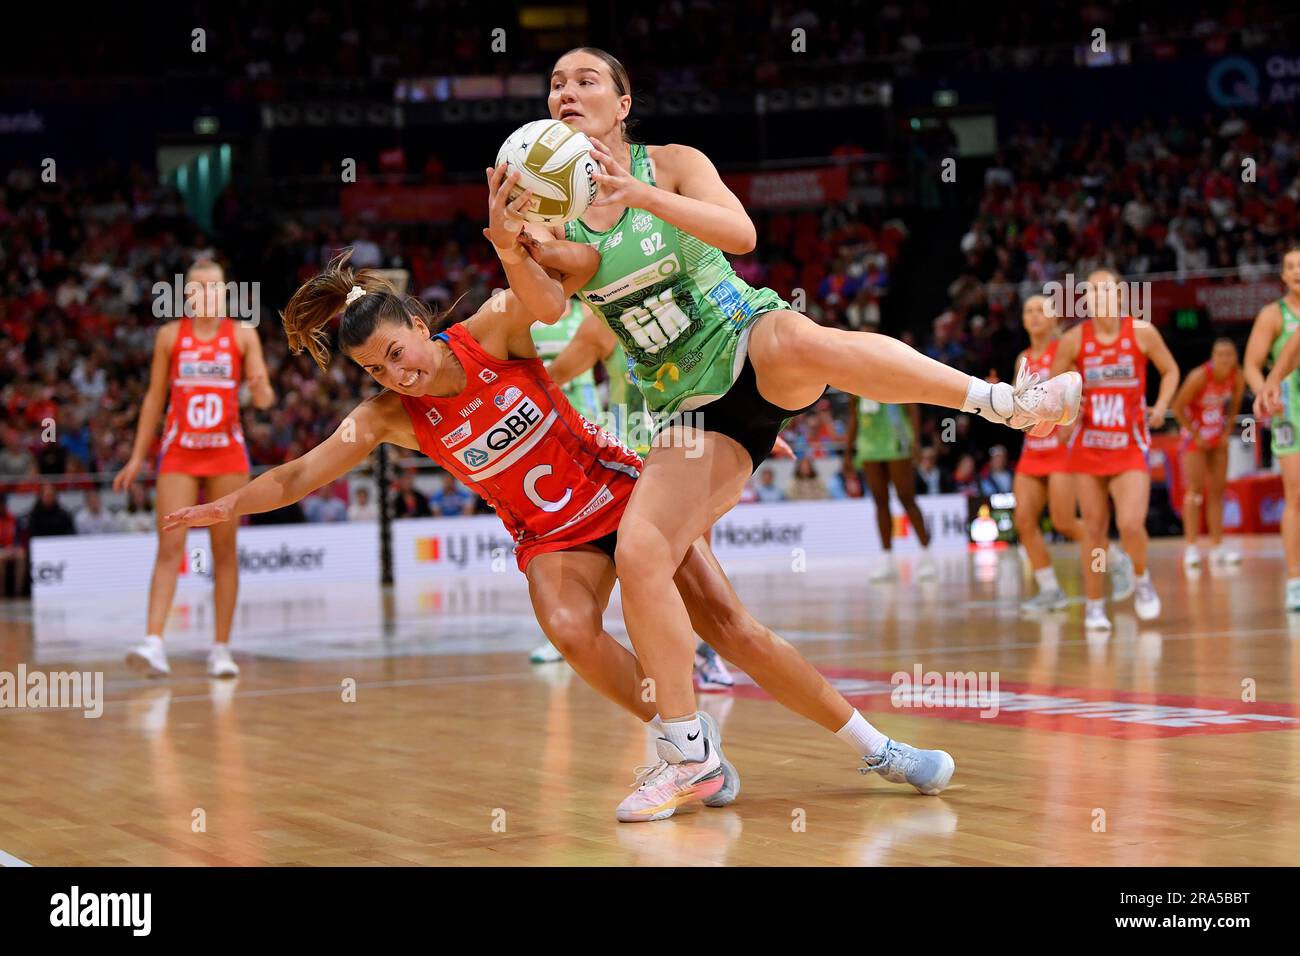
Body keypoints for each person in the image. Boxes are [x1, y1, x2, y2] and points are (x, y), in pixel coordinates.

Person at [164, 242, 957, 821]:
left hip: (618, 492)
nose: (394, 374)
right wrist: (226, 506)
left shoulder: (492, 330)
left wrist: (511, 240)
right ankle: (689, 748)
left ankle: (879, 750)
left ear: (417, 322)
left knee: (735, 630)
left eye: (397, 353)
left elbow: (549, 298)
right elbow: (300, 474)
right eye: (375, 369)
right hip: (549, 534)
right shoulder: (388, 419)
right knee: (569, 628)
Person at [508, 47, 1080, 761]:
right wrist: (510, 246)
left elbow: (742, 234)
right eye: (556, 83)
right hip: (687, 407)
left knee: (804, 341)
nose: (567, 90)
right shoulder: (554, 222)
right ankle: (689, 752)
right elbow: (546, 304)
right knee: (643, 551)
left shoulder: (673, 163)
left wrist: (642, 195)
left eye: (586, 80)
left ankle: (1005, 402)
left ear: (622, 105)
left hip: (747, 336)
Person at [114, 258, 275, 677]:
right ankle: (153, 643)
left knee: (225, 551)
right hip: (180, 451)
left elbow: (264, 401)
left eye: (214, 286)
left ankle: (221, 649)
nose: (206, 293)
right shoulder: (170, 336)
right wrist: (136, 456)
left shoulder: (243, 335)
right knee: (170, 546)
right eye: (198, 287)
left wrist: (259, 389)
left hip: (226, 452)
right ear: (187, 294)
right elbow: (154, 399)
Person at [1051, 269, 1179, 632]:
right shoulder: (1074, 340)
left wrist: (1160, 405)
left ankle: (1141, 577)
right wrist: (1064, 421)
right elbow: (1053, 389)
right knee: (1093, 528)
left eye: (1106, 289)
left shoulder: (1142, 332)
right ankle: (1094, 604)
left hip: (1129, 444)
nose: (1100, 296)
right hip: (1088, 447)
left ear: (1122, 295)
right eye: (1092, 291)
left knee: (1129, 523)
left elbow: (1170, 370)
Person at [1011, 295, 1081, 615]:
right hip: (1032, 451)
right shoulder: (1022, 359)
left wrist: (1074, 422)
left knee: (1065, 521)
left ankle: (1115, 559)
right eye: (1029, 311)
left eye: (1042, 310)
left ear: (1054, 319)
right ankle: (1051, 590)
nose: (1035, 316)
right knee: (1024, 520)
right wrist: (1000, 396)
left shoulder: (1063, 351)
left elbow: (1083, 393)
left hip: (1061, 450)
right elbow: (1019, 411)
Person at [1248, 245, 1300, 609]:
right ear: (1282, 275)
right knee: (1295, 496)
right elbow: (1253, 364)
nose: (1297, 271)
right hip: (1289, 409)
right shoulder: (1273, 314)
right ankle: (1295, 580)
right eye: (1291, 267)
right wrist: (1266, 392)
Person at [1170, 337, 1244, 570]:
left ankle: (1217, 547)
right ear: (1213, 356)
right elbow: (1177, 407)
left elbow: (1235, 406)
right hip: (1195, 437)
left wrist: (1227, 432)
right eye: (1220, 353)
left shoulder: (1237, 376)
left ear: (1235, 357)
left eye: (1229, 354)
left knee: (1218, 491)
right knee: (1194, 491)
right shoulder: (1199, 376)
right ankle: (1191, 547)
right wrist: (1195, 434)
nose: (1224, 358)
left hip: (1216, 436)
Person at [847, 396, 937, 581]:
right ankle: (887, 560)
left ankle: (927, 556)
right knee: (880, 501)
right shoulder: (853, 378)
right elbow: (853, 416)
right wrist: (848, 451)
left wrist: (916, 441)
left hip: (897, 437)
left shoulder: (888, 368)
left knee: (906, 497)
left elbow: (912, 406)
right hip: (869, 443)